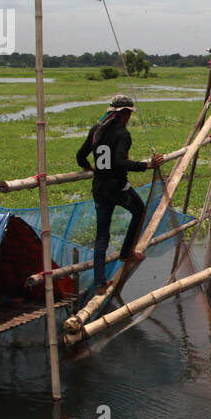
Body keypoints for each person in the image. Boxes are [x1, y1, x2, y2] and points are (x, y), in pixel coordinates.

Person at [76, 95, 164, 293]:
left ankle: (100, 284)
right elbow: (119, 162)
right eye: (128, 114)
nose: (129, 118)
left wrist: (89, 167)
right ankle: (126, 253)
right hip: (117, 187)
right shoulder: (122, 133)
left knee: (102, 236)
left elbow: (80, 156)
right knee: (140, 210)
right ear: (124, 114)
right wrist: (147, 165)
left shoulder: (96, 130)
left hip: (99, 188)